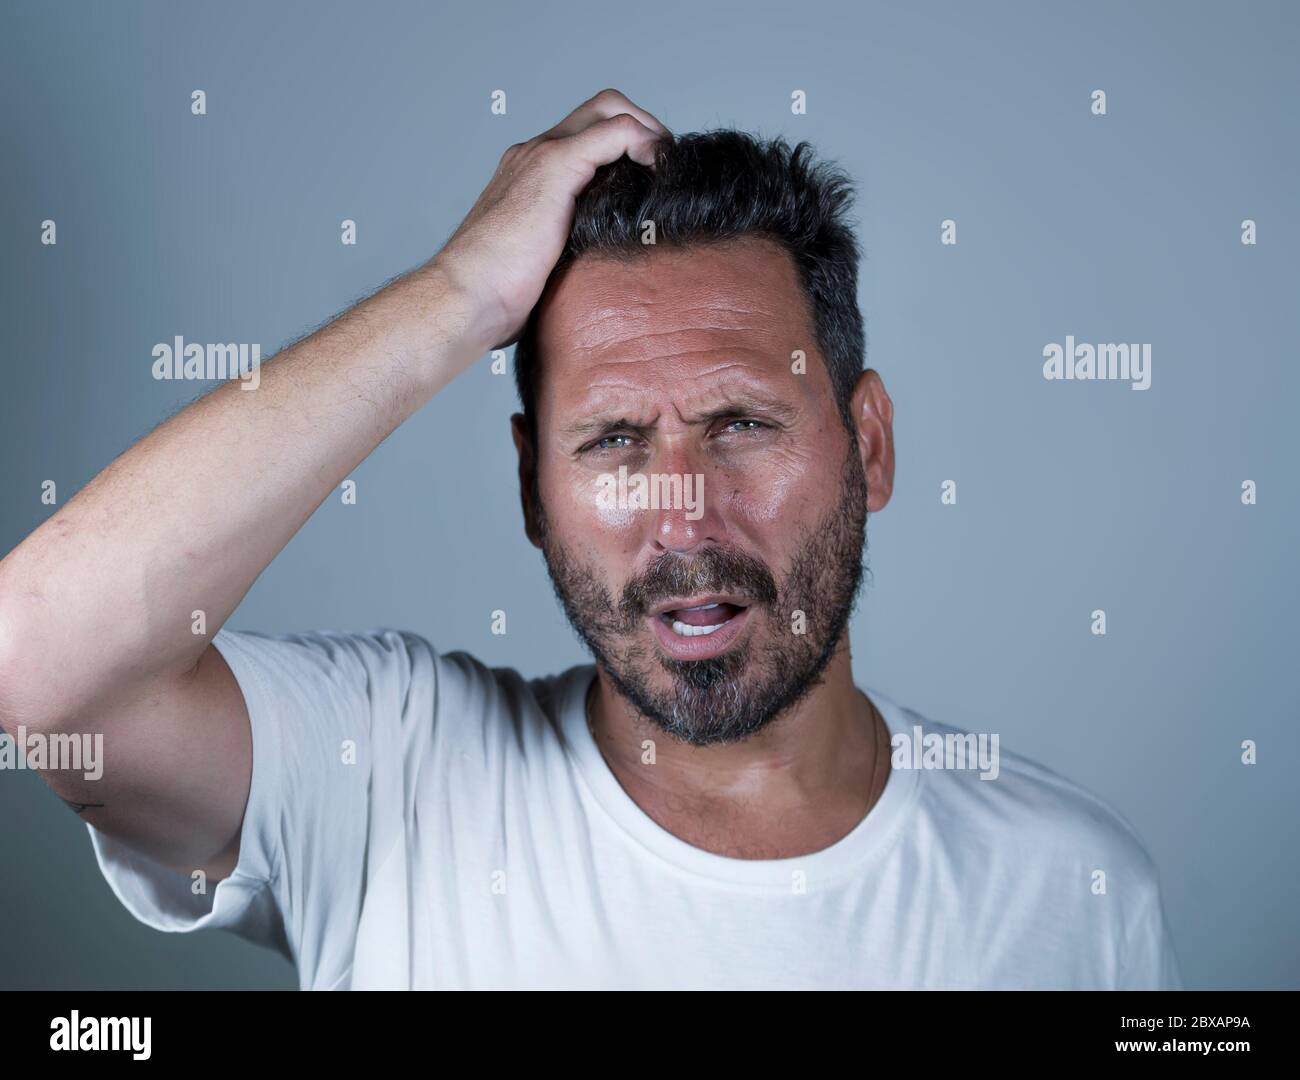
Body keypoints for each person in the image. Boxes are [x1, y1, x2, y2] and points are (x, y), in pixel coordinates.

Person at [0, 89, 1182, 990]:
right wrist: (457, 296)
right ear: (530, 487)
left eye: (741, 423)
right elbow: (37, 663)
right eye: (614, 441)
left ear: (867, 446)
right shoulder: (381, 771)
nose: (684, 517)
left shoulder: (1072, 892)